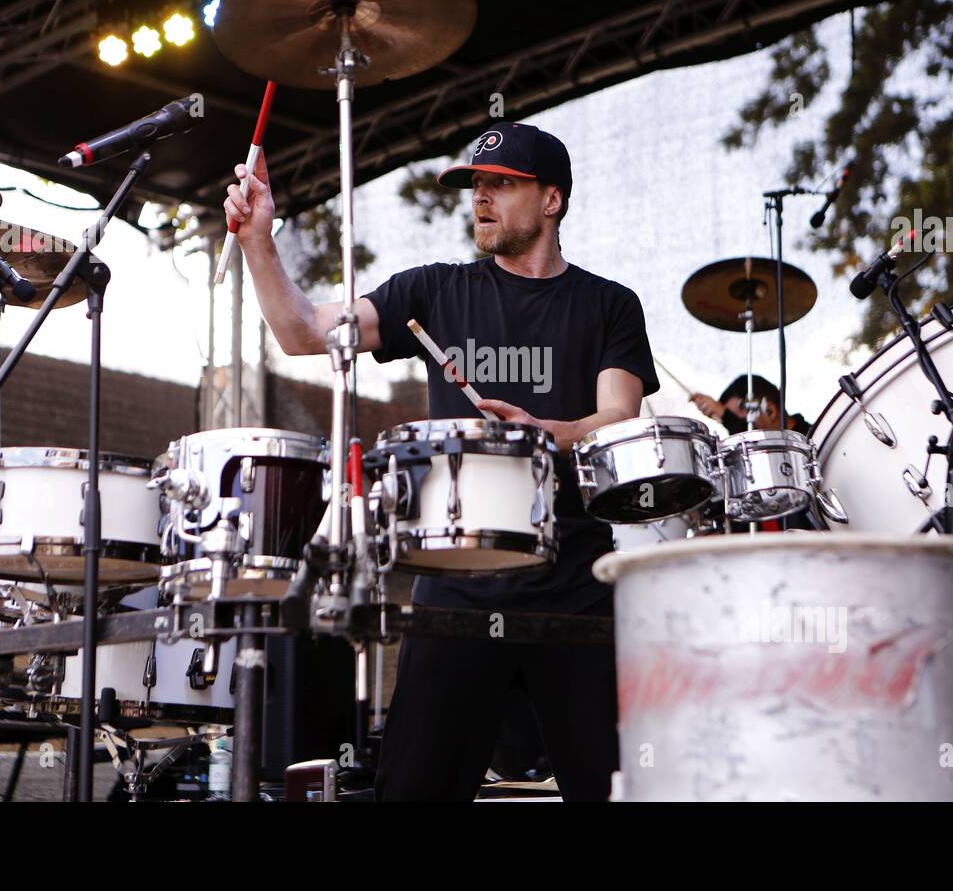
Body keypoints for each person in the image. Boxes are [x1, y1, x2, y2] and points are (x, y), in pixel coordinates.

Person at [224, 120, 659, 801]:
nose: (481, 198)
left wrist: (550, 433)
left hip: (574, 579)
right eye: (476, 185)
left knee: (614, 790)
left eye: (502, 184)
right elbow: (304, 332)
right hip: (456, 581)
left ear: (552, 199)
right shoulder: (432, 292)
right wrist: (258, 240)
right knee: (414, 790)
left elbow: (620, 417)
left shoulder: (608, 304)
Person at [689, 374, 812, 435]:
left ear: (770, 411)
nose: (740, 436)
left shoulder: (817, 441)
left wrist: (725, 416)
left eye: (742, 424)